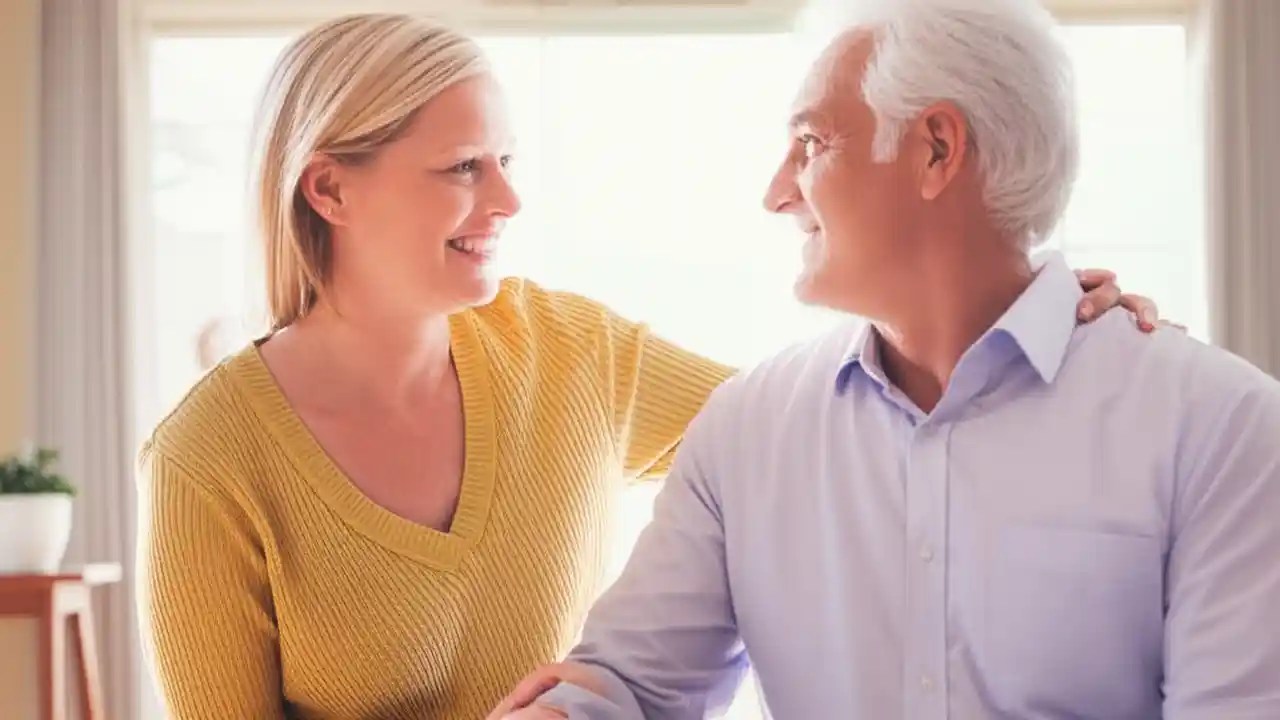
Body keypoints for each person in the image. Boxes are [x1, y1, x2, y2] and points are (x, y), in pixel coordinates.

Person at [135, 12, 1165, 720]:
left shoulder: (574, 354)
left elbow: (850, 418)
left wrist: (1021, 315)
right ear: (330, 191)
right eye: (461, 169)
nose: (505, 200)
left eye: (506, 161)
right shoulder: (208, 457)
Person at [493, 1, 1280, 718]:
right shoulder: (747, 431)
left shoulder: (1219, 424)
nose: (776, 192)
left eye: (810, 144)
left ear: (936, 148)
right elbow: (635, 686)